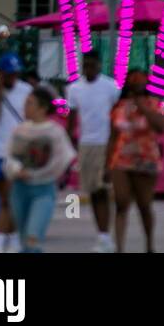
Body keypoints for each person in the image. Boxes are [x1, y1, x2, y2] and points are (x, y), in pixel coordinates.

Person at [4, 85, 75, 253]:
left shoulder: (55, 132)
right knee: (24, 240)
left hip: (43, 190)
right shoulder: (19, 131)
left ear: (42, 108)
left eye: (30, 103)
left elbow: (63, 159)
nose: (25, 107)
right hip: (19, 190)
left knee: (33, 237)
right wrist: (15, 170)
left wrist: (37, 173)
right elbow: (9, 156)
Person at [0, 52, 33, 253]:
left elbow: (31, 119)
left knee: (11, 198)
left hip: (17, 153)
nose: (12, 78)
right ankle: (11, 238)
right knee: (5, 199)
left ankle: (4, 240)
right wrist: (0, 96)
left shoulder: (26, 90)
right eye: (8, 74)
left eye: (15, 74)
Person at [65, 49, 118, 253]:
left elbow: (116, 118)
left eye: (92, 65)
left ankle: (106, 236)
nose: (88, 68)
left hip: (105, 143)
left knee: (103, 190)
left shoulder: (110, 87)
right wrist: (70, 145)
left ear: (99, 65)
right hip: (86, 145)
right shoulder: (74, 89)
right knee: (93, 192)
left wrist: (114, 147)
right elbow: (71, 121)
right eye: (85, 64)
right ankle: (102, 236)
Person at [108, 68, 164, 252]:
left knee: (144, 205)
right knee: (121, 202)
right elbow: (113, 135)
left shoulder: (154, 104)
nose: (137, 85)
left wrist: (143, 107)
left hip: (146, 159)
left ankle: (149, 244)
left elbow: (161, 127)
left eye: (141, 82)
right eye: (134, 82)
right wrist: (106, 163)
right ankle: (119, 247)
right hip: (121, 159)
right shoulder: (118, 107)